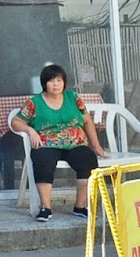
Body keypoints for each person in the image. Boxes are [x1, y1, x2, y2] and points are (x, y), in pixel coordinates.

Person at [9, 63, 106, 223]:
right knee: (43, 161)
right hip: (47, 143)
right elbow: (16, 122)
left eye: (59, 80)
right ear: (44, 83)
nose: (56, 84)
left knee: (87, 160)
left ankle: (80, 206)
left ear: (64, 82)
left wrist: (96, 146)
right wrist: (31, 131)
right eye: (52, 81)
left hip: (75, 143)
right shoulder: (35, 102)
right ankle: (45, 208)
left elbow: (87, 121)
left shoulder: (73, 98)